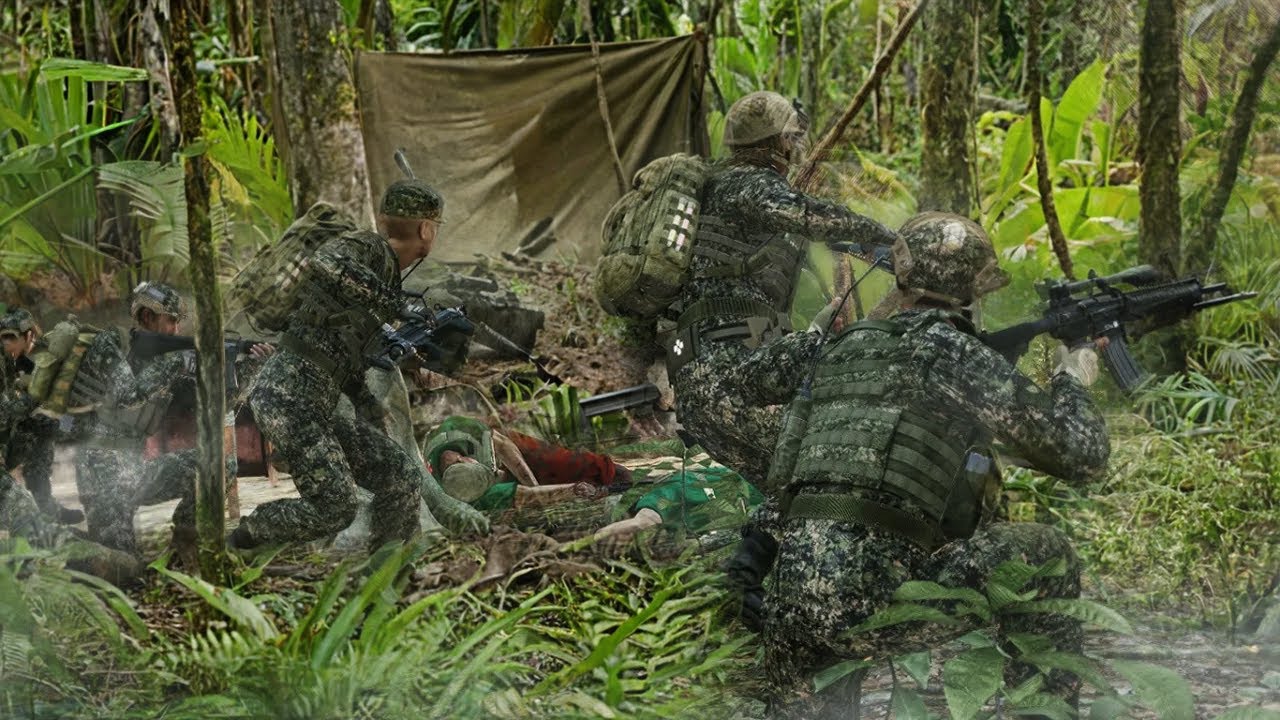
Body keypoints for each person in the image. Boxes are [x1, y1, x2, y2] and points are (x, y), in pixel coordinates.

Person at [742, 213, 1110, 718]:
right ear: (972, 289)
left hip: (789, 599)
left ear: (901, 274)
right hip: (874, 602)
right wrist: (1074, 372)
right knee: (1048, 554)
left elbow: (786, 467)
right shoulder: (953, 350)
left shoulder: (841, 348)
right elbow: (1082, 455)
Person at [230, 180, 488, 551]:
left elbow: (344, 356)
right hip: (288, 400)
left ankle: (390, 561)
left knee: (399, 473)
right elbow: (326, 260)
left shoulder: (383, 273)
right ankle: (243, 539)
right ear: (425, 229)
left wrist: (368, 405)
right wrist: (396, 303)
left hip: (310, 404)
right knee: (337, 507)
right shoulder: (370, 247)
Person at [666, 90, 898, 486]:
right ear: (778, 142)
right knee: (845, 465)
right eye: (792, 137)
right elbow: (811, 215)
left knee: (776, 493)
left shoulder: (714, 190)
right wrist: (893, 240)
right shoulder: (749, 186)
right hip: (731, 380)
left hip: (697, 376)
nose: (796, 147)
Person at [425, 415, 631, 513]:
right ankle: (604, 484)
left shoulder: (455, 428)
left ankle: (607, 471)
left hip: (508, 446)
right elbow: (527, 496)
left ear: (465, 459)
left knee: (557, 462)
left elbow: (505, 446)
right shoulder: (471, 495)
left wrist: (533, 483)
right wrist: (572, 490)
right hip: (490, 480)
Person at [0, 308, 81, 523]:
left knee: (52, 429)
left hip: (37, 418)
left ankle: (47, 509)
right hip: (10, 425)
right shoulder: (8, 359)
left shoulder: (46, 357)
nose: (7, 343)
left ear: (29, 335)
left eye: (11, 337)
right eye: (3, 338)